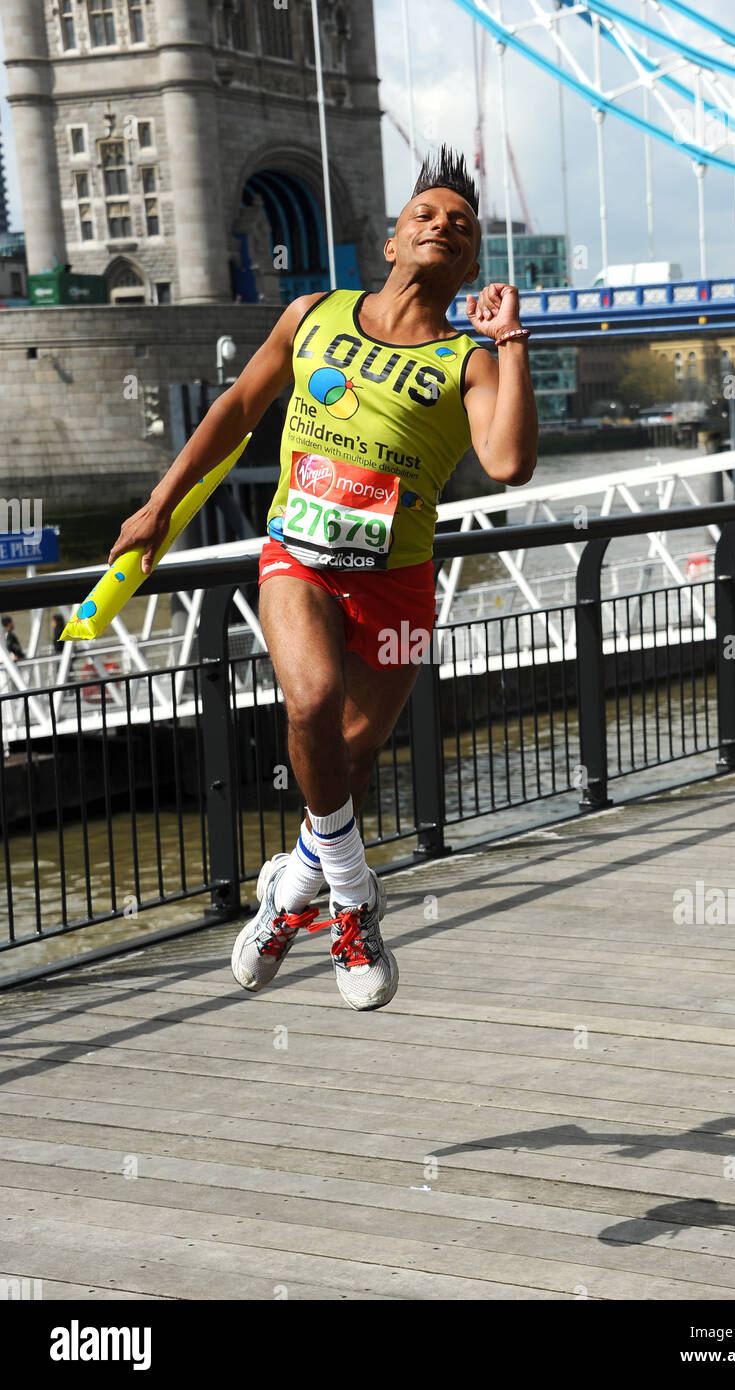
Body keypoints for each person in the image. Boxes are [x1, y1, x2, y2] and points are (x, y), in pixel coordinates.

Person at [108, 147, 538, 1010]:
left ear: (470, 263)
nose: (441, 227)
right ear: (389, 241)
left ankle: (291, 885)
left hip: (399, 583)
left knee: (342, 758)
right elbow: (234, 410)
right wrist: (159, 504)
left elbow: (507, 463)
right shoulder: (311, 315)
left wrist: (511, 340)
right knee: (307, 707)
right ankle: (352, 900)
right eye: (426, 215)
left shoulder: (468, 361)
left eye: (459, 226)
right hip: (296, 554)